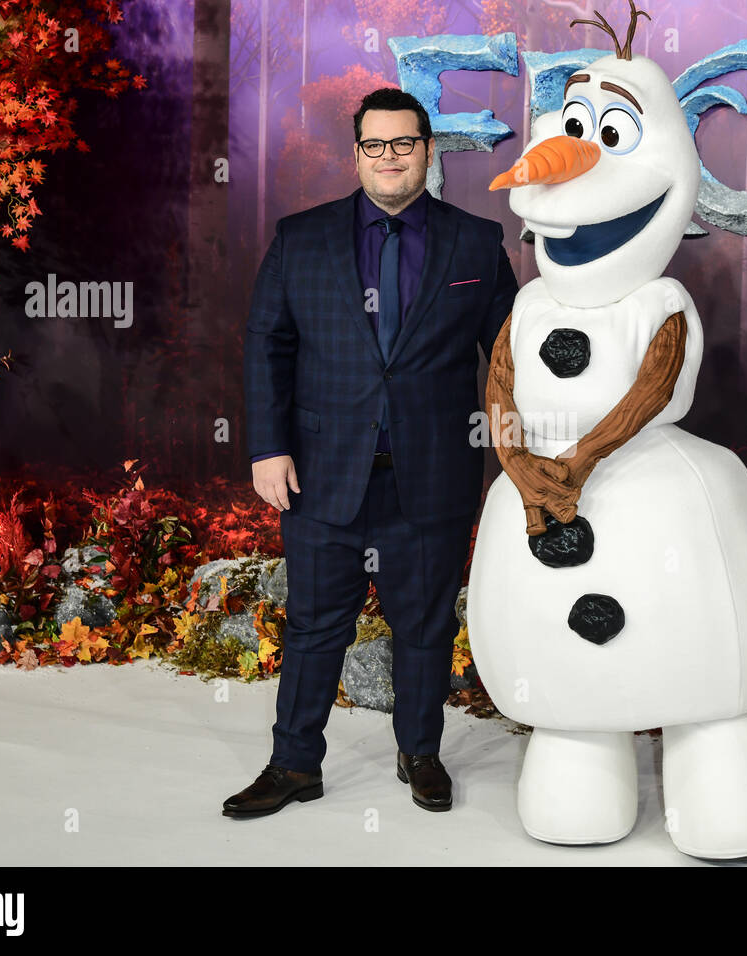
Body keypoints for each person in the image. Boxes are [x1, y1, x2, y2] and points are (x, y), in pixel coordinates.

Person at [226, 87, 519, 817]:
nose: (391, 157)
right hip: (323, 474)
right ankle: (294, 764)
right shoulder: (301, 239)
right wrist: (267, 447)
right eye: (376, 145)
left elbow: (513, 355)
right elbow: (268, 344)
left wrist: (525, 450)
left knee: (425, 627)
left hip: (434, 475)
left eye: (405, 143)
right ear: (357, 154)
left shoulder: (475, 243)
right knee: (314, 624)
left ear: (427, 150)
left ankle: (419, 752)